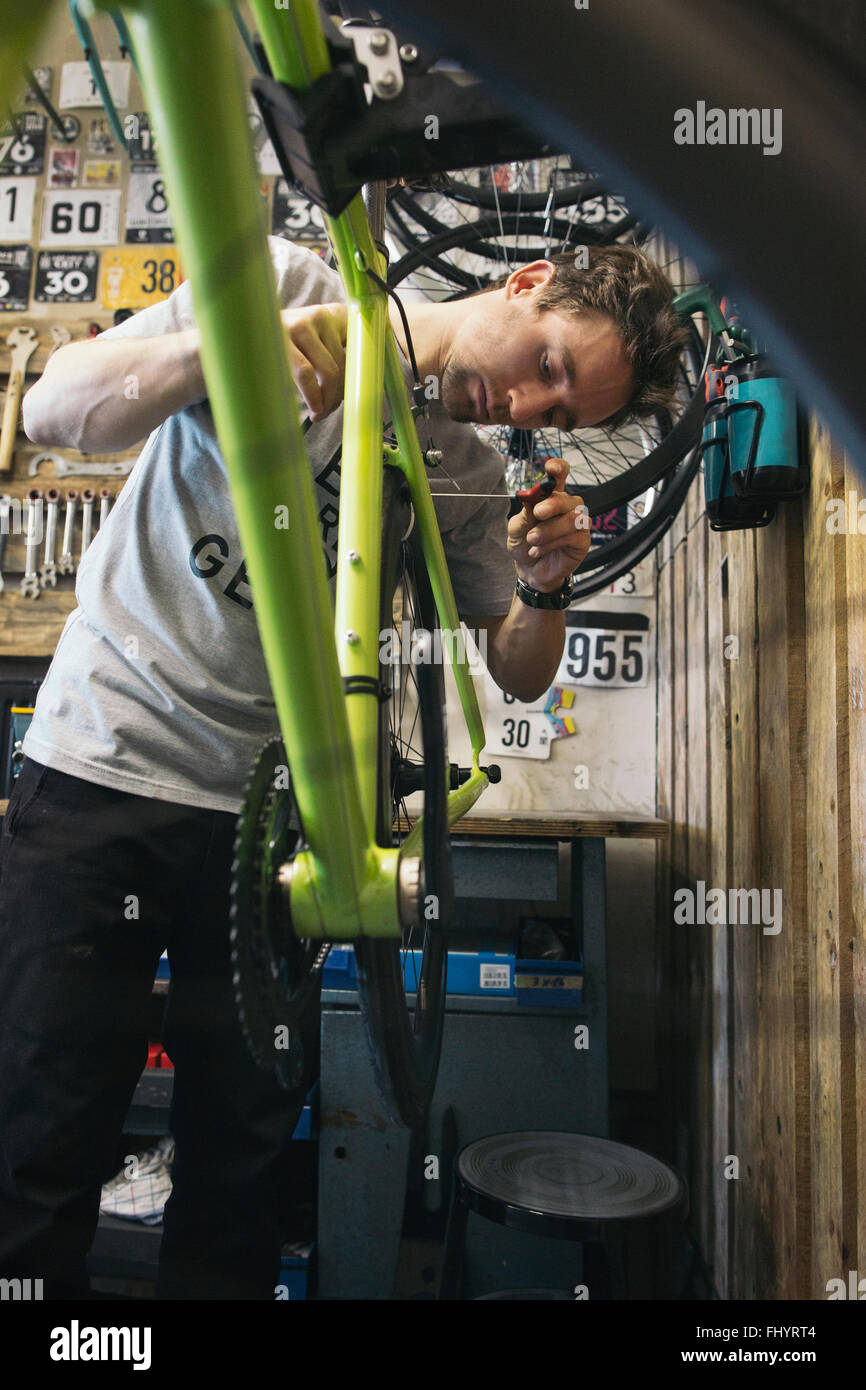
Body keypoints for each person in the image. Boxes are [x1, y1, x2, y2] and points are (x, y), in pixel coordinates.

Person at [0, 236, 688, 1299]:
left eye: (555, 417)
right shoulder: (283, 282)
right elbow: (55, 413)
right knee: (42, 1150)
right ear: (524, 282)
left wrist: (546, 582)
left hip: (282, 827)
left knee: (238, 1180)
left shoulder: (459, 467)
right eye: (547, 367)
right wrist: (225, 355)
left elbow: (512, 668)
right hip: (108, 765)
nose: (522, 407)